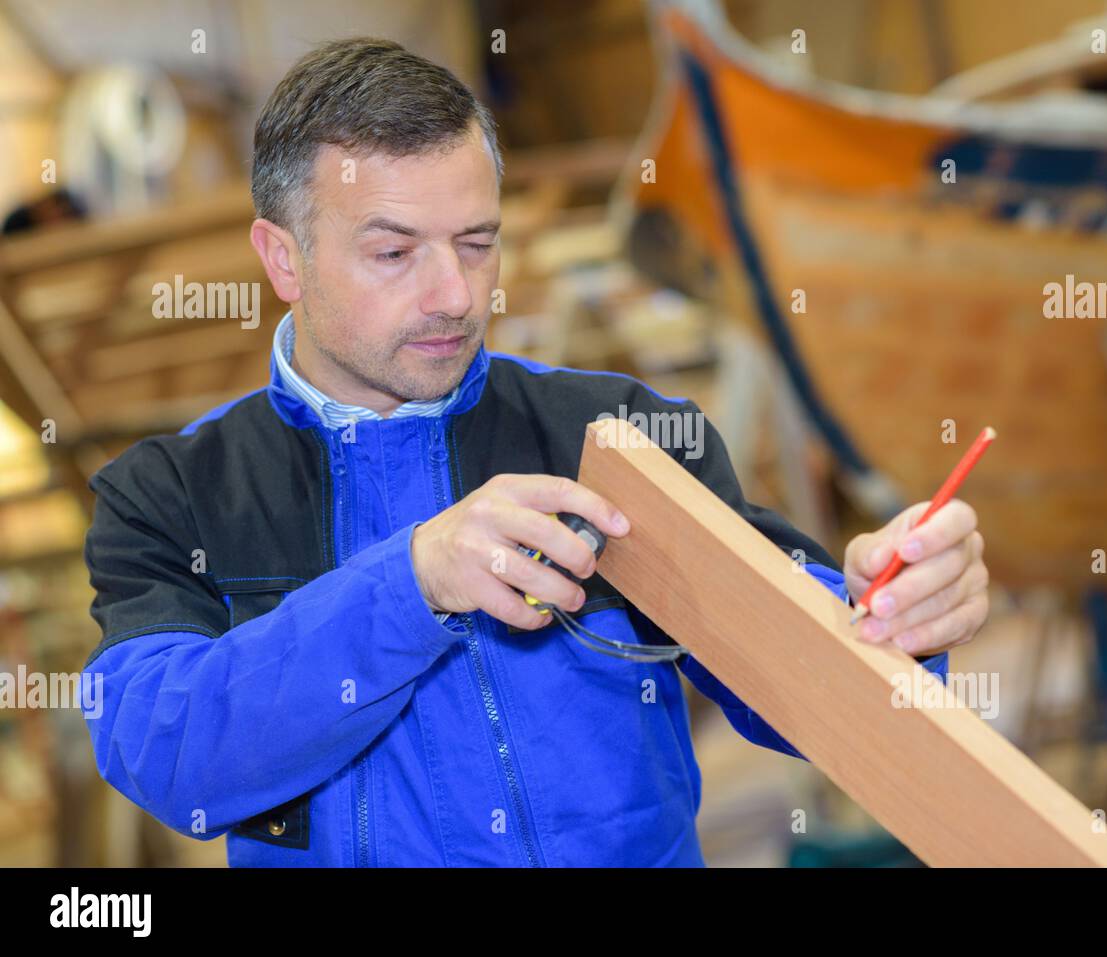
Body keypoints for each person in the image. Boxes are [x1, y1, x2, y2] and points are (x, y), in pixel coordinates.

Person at [81, 38, 989, 867]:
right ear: (283, 259)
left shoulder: (623, 439)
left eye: (477, 244)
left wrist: (891, 619)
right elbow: (172, 760)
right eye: (394, 252)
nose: (454, 295)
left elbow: (815, 697)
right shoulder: (171, 496)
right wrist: (413, 582)